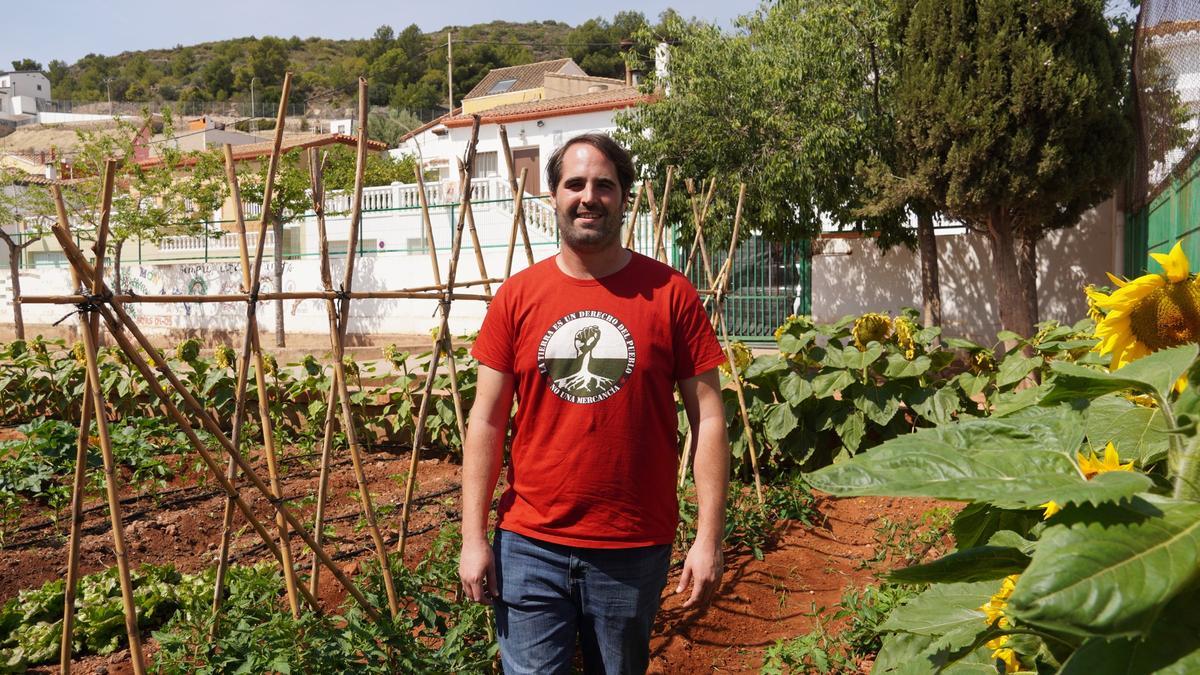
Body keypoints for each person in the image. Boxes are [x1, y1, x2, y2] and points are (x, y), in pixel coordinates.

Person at [458, 133, 730, 674]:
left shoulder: (670, 294)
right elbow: (486, 420)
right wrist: (473, 537)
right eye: (574, 184)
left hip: (632, 544)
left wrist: (709, 538)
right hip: (530, 542)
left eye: (604, 185)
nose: (588, 197)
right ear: (553, 196)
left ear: (624, 197)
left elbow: (710, 418)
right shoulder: (517, 296)